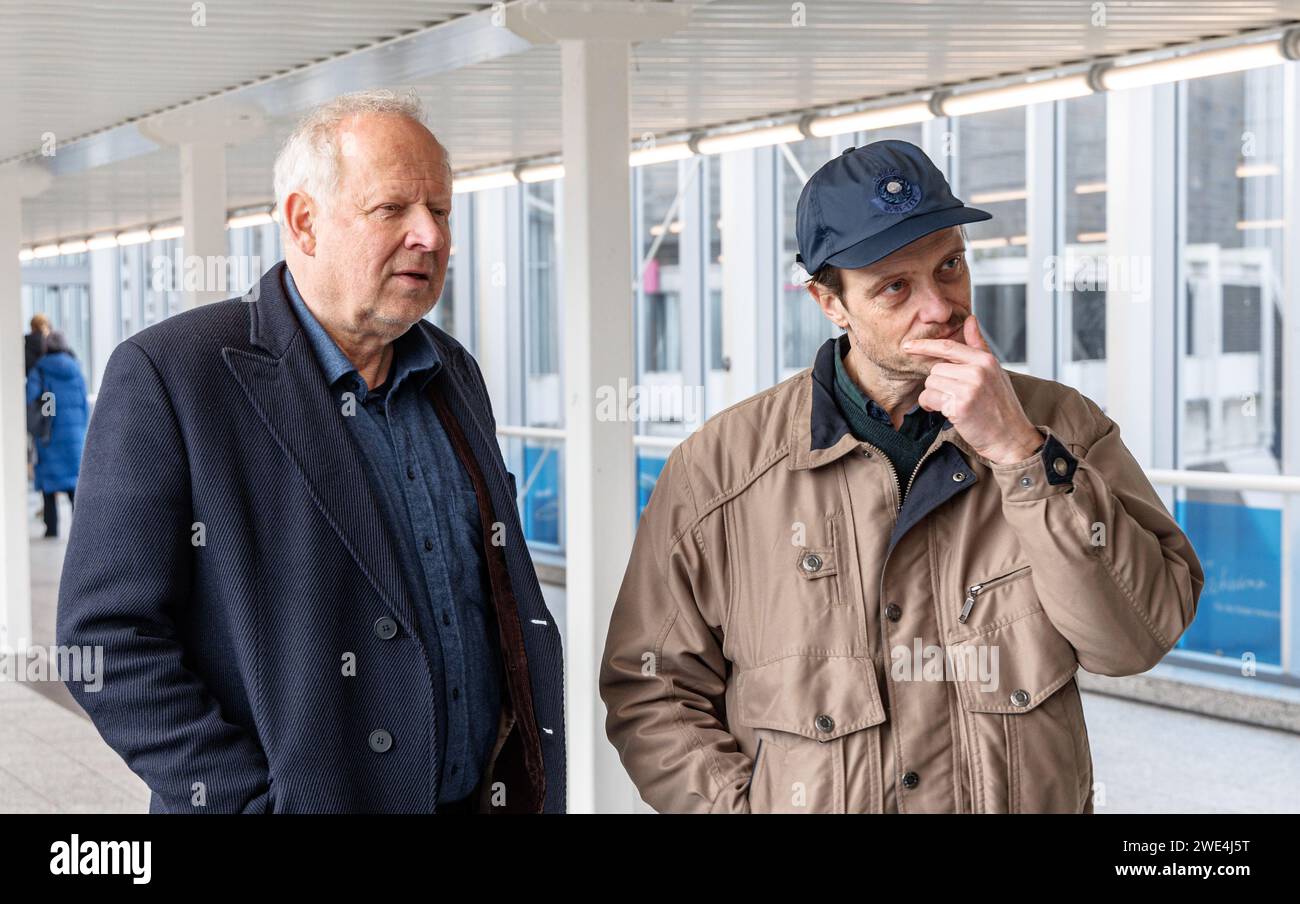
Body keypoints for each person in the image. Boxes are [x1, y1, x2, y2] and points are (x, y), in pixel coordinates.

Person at [600, 139, 1203, 814]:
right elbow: (651, 689)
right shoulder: (720, 471)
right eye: (896, 287)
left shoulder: (1065, 427)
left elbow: (1136, 640)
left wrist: (1022, 457)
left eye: (950, 266)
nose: (940, 306)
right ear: (830, 302)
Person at [57, 89, 565, 813]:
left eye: (442, 210)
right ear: (305, 222)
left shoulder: (453, 373)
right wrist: (248, 803)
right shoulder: (177, 374)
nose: (430, 235)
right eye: (393, 209)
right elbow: (105, 641)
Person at [26, 330, 88, 538]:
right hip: (74, 435)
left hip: (49, 435)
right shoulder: (76, 369)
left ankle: (52, 529)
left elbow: (29, 398)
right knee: (74, 483)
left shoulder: (40, 370)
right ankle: (78, 531)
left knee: (49, 484)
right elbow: (83, 404)